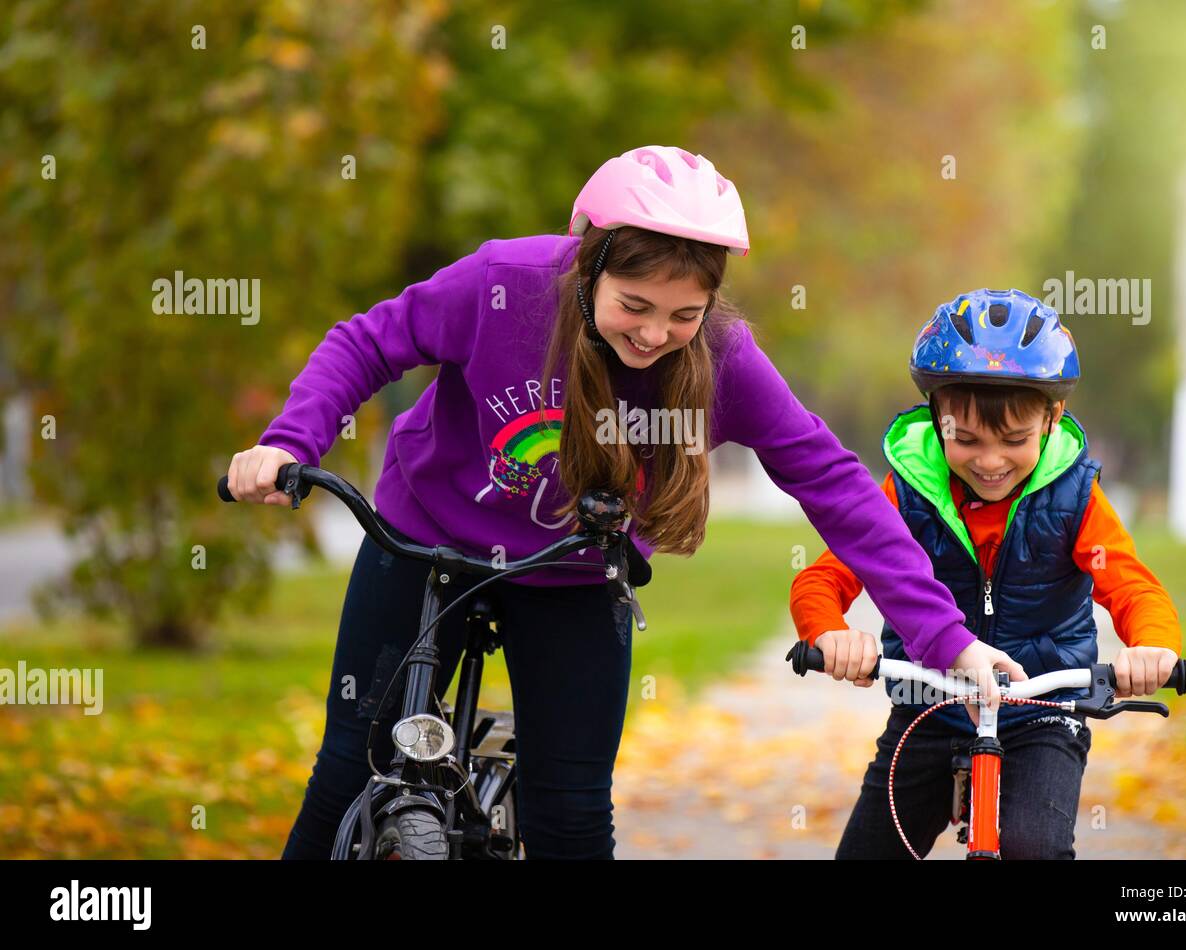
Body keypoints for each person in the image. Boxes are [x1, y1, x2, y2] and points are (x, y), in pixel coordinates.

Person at [226, 145, 983, 860]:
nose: (657, 334)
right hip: (425, 545)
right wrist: (291, 441)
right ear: (590, 265)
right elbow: (369, 341)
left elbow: (833, 482)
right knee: (348, 771)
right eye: (636, 304)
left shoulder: (723, 356)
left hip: (576, 575)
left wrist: (947, 639)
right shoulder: (504, 284)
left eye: (684, 315)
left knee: (572, 814)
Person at [789, 287, 1183, 859]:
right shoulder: (906, 493)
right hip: (931, 704)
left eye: (1014, 440)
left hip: (1043, 712)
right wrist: (828, 631)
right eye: (965, 439)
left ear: (1053, 419)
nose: (990, 461)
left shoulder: (1075, 498)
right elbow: (822, 578)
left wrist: (1153, 647)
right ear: (935, 417)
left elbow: (1133, 586)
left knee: (1033, 847)